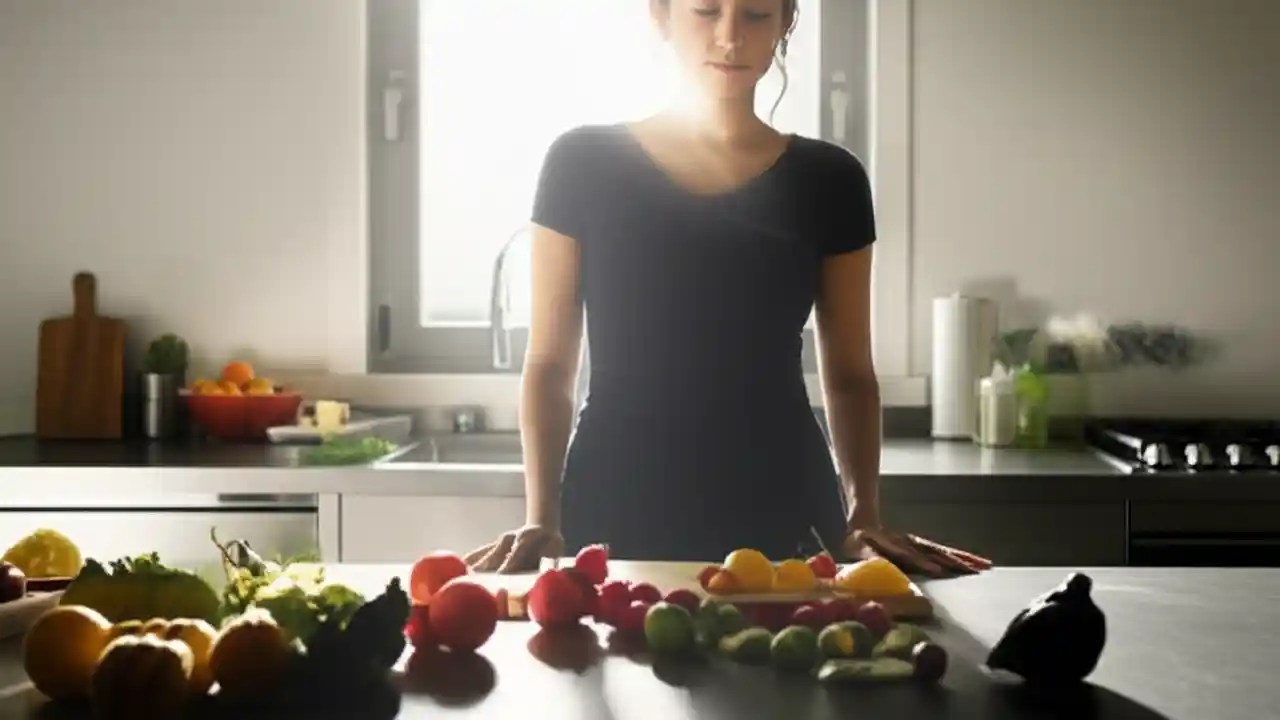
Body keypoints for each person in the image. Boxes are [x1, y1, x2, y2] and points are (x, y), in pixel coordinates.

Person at [467, 0, 991, 576]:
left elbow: (849, 375)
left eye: (757, 15)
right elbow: (549, 366)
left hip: (785, 506)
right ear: (662, 16)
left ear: (786, 22)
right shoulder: (581, 164)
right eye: (707, 10)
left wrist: (863, 514)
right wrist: (542, 516)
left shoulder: (831, 179)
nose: (731, 36)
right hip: (616, 498)